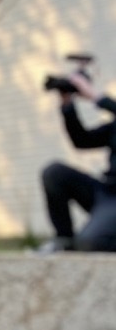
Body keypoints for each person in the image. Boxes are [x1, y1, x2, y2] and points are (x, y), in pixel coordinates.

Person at [39, 70, 116, 252]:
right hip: (106, 192)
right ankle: (64, 239)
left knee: (89, 243)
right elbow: (82, 140)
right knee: (54, 173)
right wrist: (67, 104)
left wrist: (96, 96)